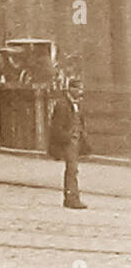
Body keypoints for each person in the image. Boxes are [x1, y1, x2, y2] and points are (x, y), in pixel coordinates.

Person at [49, 78, 88, 210]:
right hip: (68, 142)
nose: (80, 92)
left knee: (73, 170)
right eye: (77, 88)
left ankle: (72, 196)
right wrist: (67, 137)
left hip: (76, 141)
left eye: (81, 89)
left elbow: (81, 122)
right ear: (70, 89)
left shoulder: (78, 104)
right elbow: (56, 126)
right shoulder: (62, 105)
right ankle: (71, 198)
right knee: (72, 169)